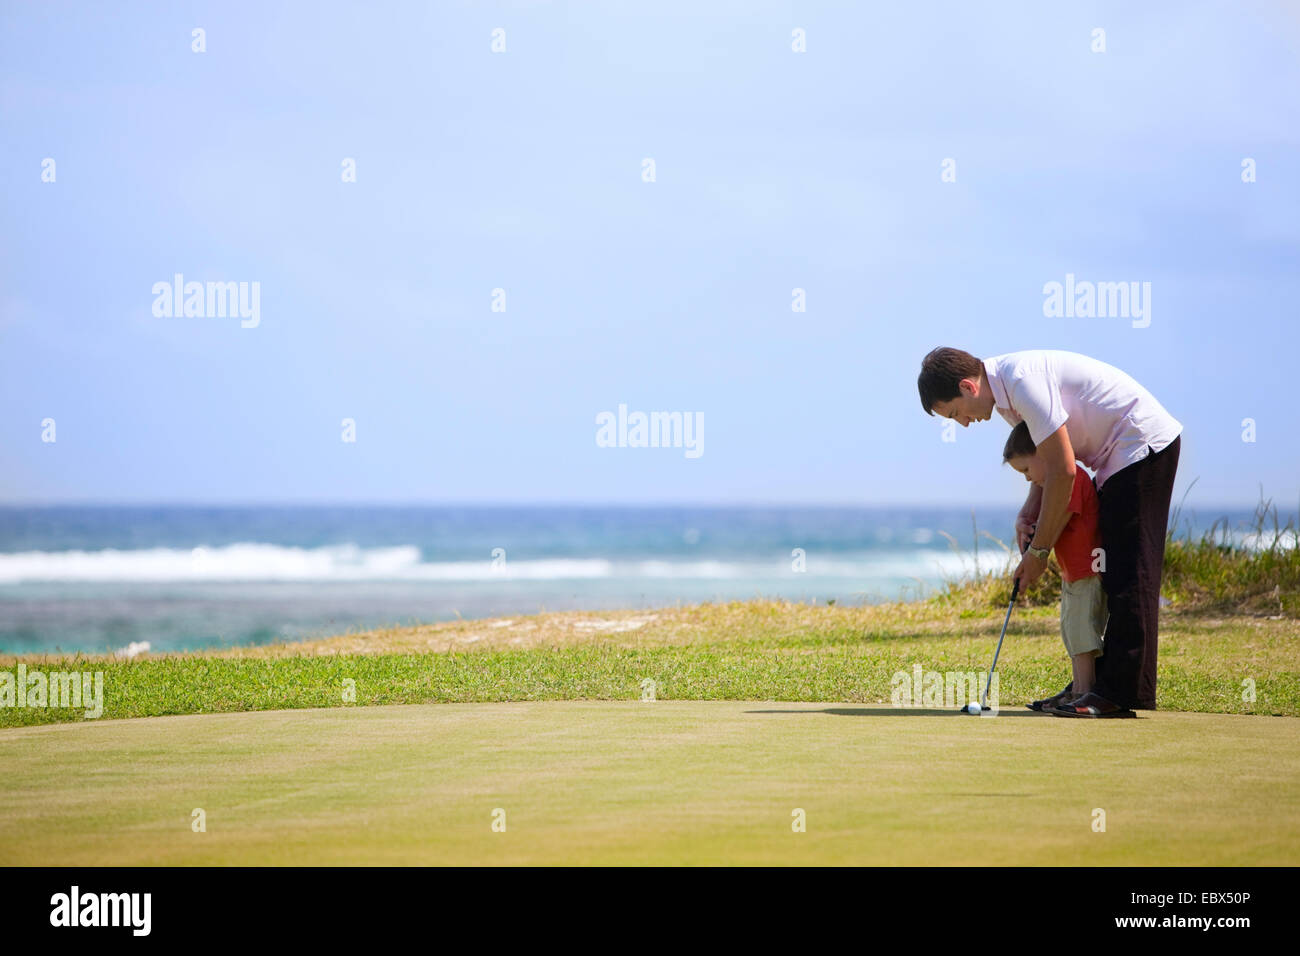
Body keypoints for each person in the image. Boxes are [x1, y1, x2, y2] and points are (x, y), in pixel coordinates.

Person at [918, 347, 1182, 717]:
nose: (961, 423)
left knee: (1129, 573)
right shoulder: (1007, 400)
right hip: (1115, 458)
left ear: (967, 387)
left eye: (953, 413)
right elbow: (1046, 462)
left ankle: (1116, 694)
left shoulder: (1022, 385)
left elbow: (1063, 471)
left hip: (1141, 445)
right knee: (1113, 571)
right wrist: (1030, 509)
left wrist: (1039, 553)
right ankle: (1093, 686)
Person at [1002, 422, 1107, 711]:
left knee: (1082, 632)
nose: (1027, 478)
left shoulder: (1070, 480)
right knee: (1071, 631)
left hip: (1088, 571)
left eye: (1026, 469)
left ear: (1043, 452)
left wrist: (1037, 546)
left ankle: (1084, 691)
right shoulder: (1053, 486)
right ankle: (1077, 689)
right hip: (1072, 572)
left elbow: (1056, 524)